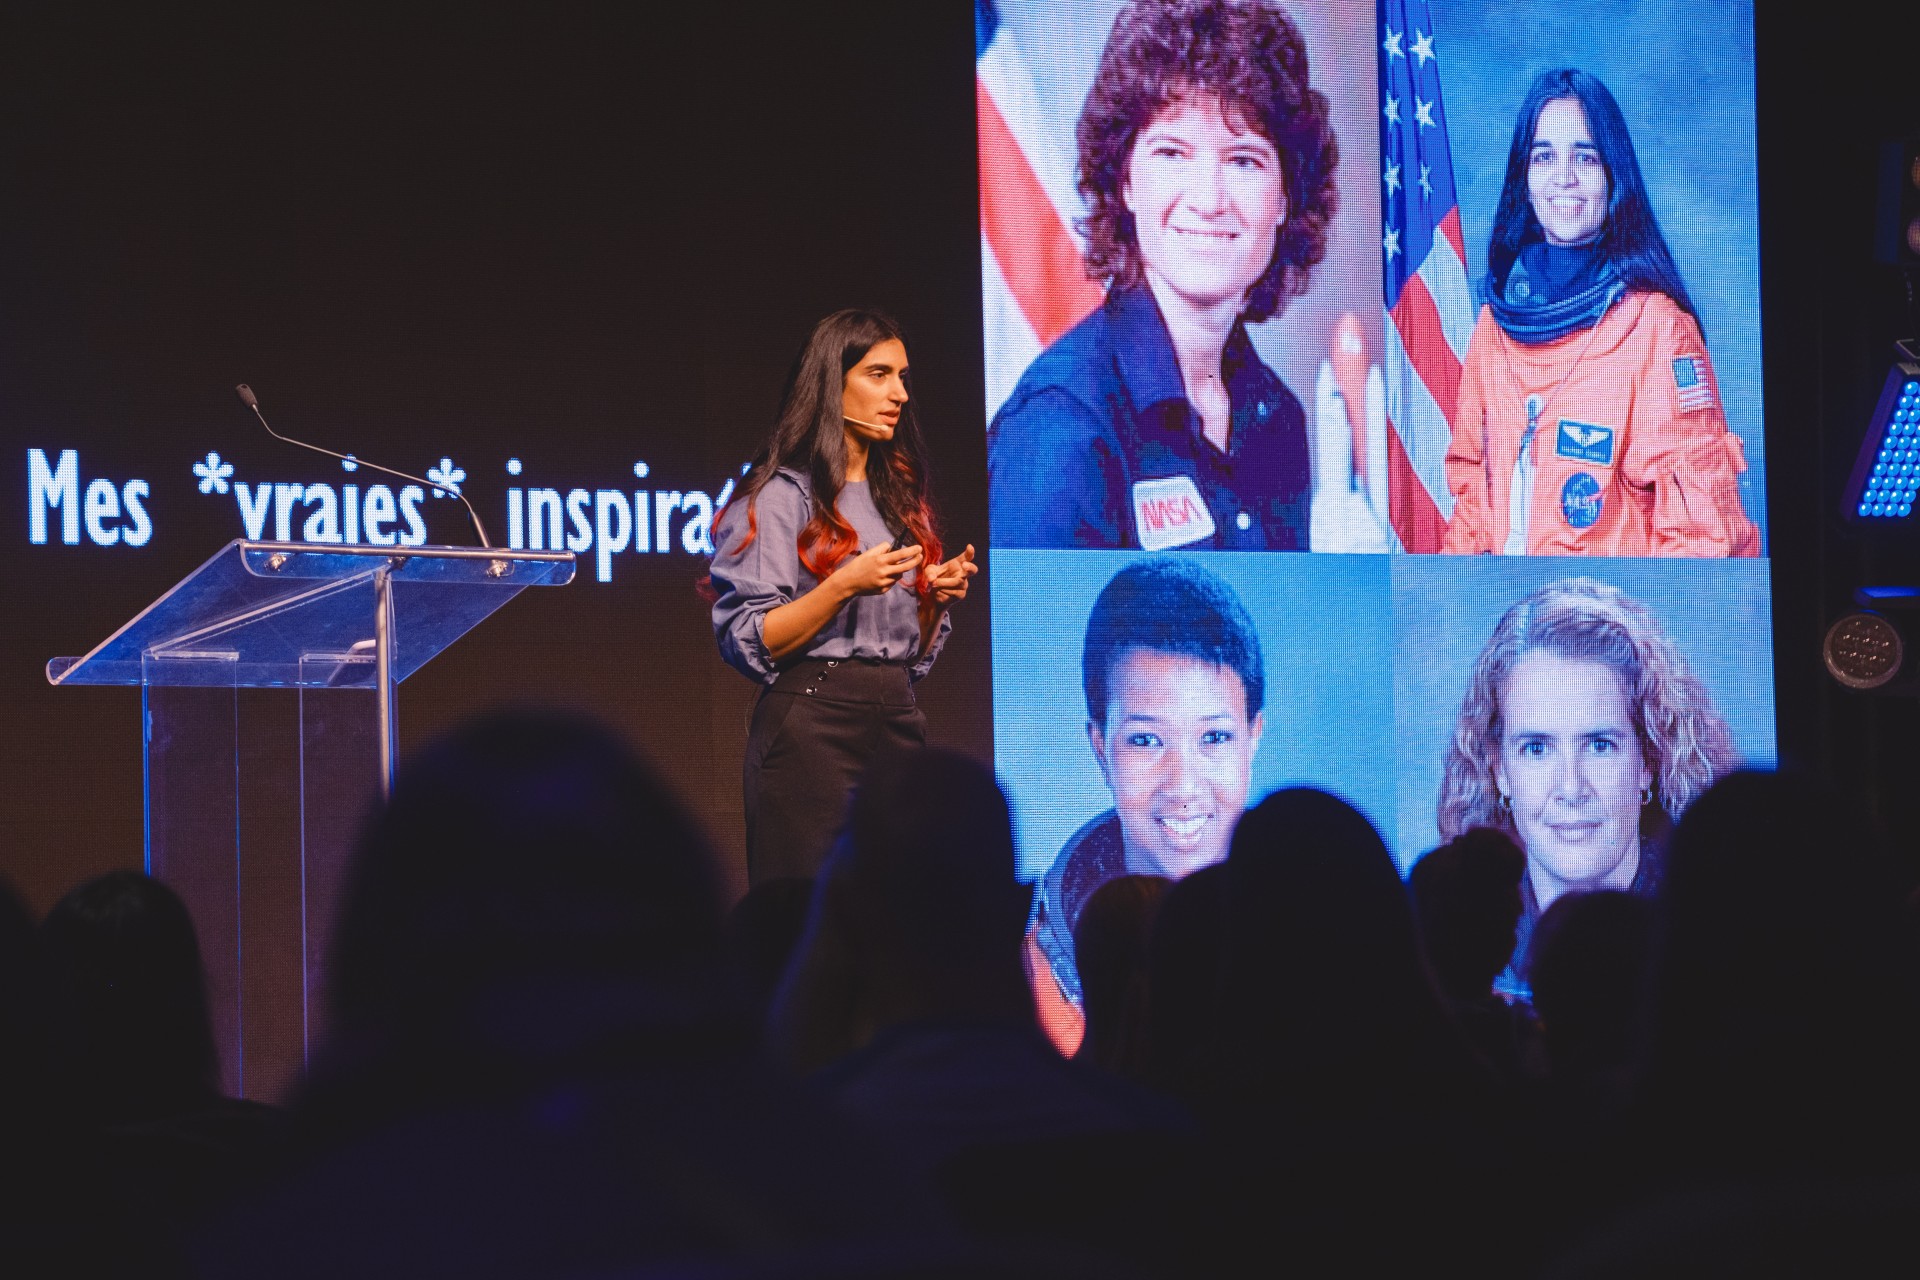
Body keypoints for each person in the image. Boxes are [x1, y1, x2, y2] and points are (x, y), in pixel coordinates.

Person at [987, 0, 1337, 551]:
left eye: (1244, 160)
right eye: (1172, 153)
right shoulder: (1060, 424)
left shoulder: (1279, 419)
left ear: (1285, 200)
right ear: (1124, 182)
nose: (1208, 200)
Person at [1441, 69, 1759, 558]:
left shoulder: (1654, 325)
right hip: (1508, 613)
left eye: (1584, 157)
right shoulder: (1495, 326)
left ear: (1613, 177)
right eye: (1543, 156)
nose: (1563, 177)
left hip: (1603, 616)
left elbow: (1703, 535)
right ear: (1524, 179)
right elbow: (1471, 506)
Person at [709, 309, 978, 883]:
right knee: (807, 921)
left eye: (903, 377)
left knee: (898, 919)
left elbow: (913, 652)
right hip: (813, 725)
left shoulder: (898, 498)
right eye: (879, 374)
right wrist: (843, 586)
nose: (900, 394)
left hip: (897, 720)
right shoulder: (781, 496)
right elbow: (746, 639)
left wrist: (935, 600)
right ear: (833, 383)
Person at [1436, 577, 1739, 997]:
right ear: (1499, 768)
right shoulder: (1458, 964)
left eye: (1599, 745)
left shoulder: (1713, 941)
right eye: (1537, 748)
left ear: (1647, 763)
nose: (1571, 787)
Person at [1028, 558, 1264, 1051]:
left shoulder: (1325, 950)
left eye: (1214, 737)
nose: (1182, 784)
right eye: (1146, 741)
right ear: (1100, 746)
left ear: (1252, 737)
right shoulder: (1033, 975)